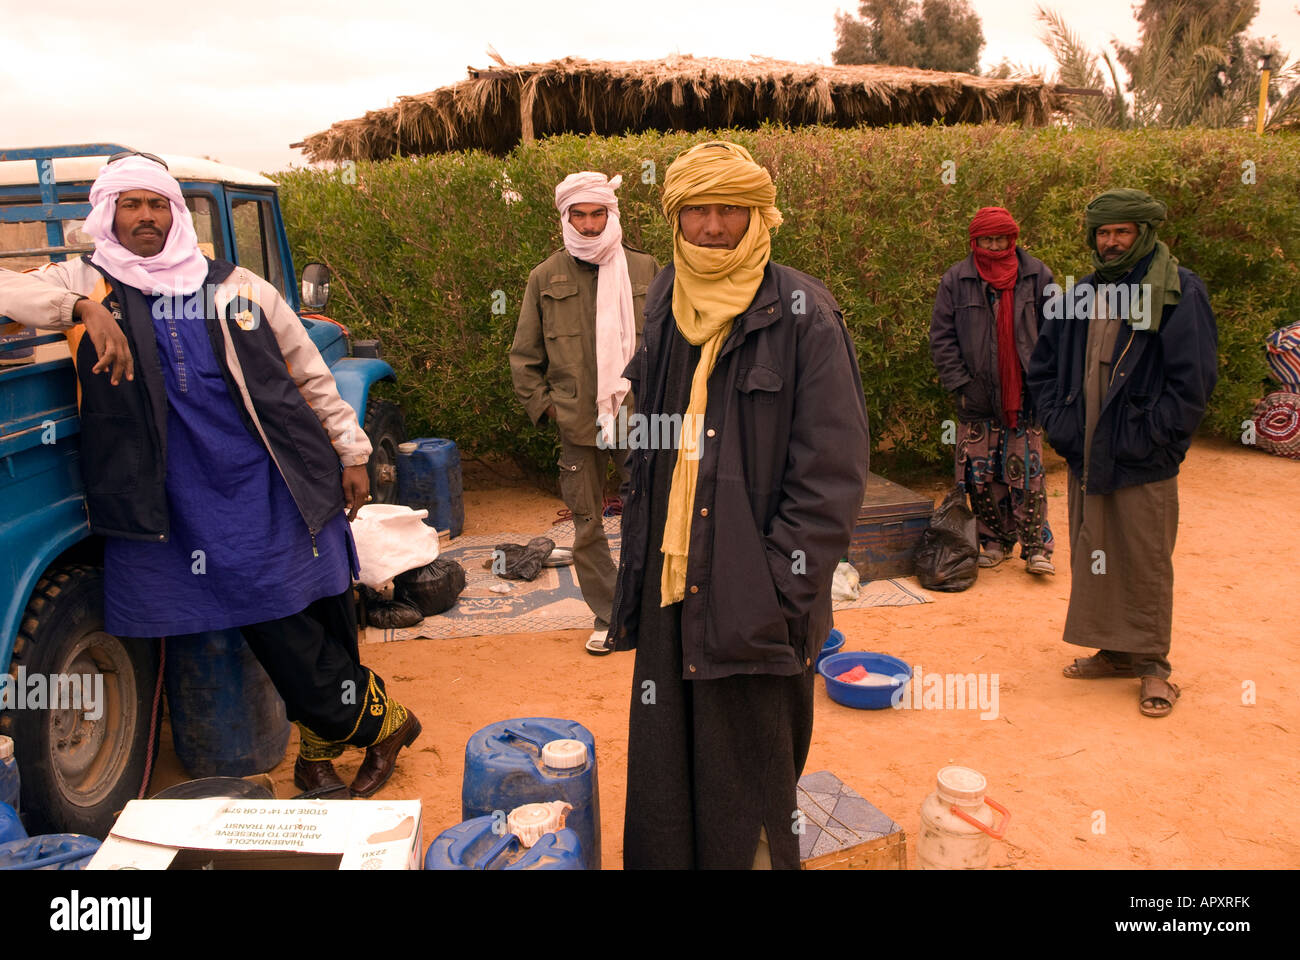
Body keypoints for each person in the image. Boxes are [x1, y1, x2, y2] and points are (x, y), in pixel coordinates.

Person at [0, 153, 419, 795]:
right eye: (131, 204)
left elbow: (309, 372)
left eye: (158, 203)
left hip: (273, 474)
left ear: (176, 212)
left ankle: (319, 748)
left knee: (316, 600)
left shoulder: (234, 285)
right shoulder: (86, 278)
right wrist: (82, 309)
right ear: (106, 212)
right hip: (177, 491)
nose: (145, 217)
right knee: (268, 610)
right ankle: (379, 722)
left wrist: (352, 450)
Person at [608, 141, 869, 869]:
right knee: (668, 767)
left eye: (730, 210)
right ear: (677, 218)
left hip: (756, 601)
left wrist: (776, 590)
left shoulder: (804, 313)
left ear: (759, 217)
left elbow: (832, 475)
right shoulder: (665, 299)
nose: (714, 227)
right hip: (672, 584)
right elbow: (650, 443)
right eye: (699, 211)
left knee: (751, 783)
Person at [1027, 188, 1218, 718]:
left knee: (1145, 555)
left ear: (1144, 233)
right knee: (1096, 546)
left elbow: (1193, 382)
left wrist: (1155, 435)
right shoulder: (1081, 293)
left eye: (1121, 232)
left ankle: (1154, 666)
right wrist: (1061, 424)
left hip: (1140, 454)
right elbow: (1043, 367)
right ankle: (1114, 652)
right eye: (1103, 233)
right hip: (1088, 450)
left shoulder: (1178, 292)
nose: (1110, 242)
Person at [510, 172, 660, 654]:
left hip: (639, 417)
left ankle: (650, 611)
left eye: (599, 214)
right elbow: (524, 356)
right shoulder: (544, 277)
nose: (591, 224)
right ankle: (608, 613)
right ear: (566, 217)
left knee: (650, 513)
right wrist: (548, 408)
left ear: (611, 214)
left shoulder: (645, 269)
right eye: (581, 215)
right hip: (577, 422)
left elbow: (668, 343)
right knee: (587, 522)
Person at [930, 206, 1056, 574]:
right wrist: (962, 385)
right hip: (976, 396)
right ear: (976, 241)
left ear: (1012, 239)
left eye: (1001, 238)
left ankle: (1037, 548)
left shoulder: (1038, 276)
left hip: (1025, 394)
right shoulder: (957, 280)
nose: (995, 245)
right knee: (980, 476)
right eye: (987, 239)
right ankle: (993, 541)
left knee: (1027, 472)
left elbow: (1053, 335)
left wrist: (1044, 382)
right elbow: (942, 339)